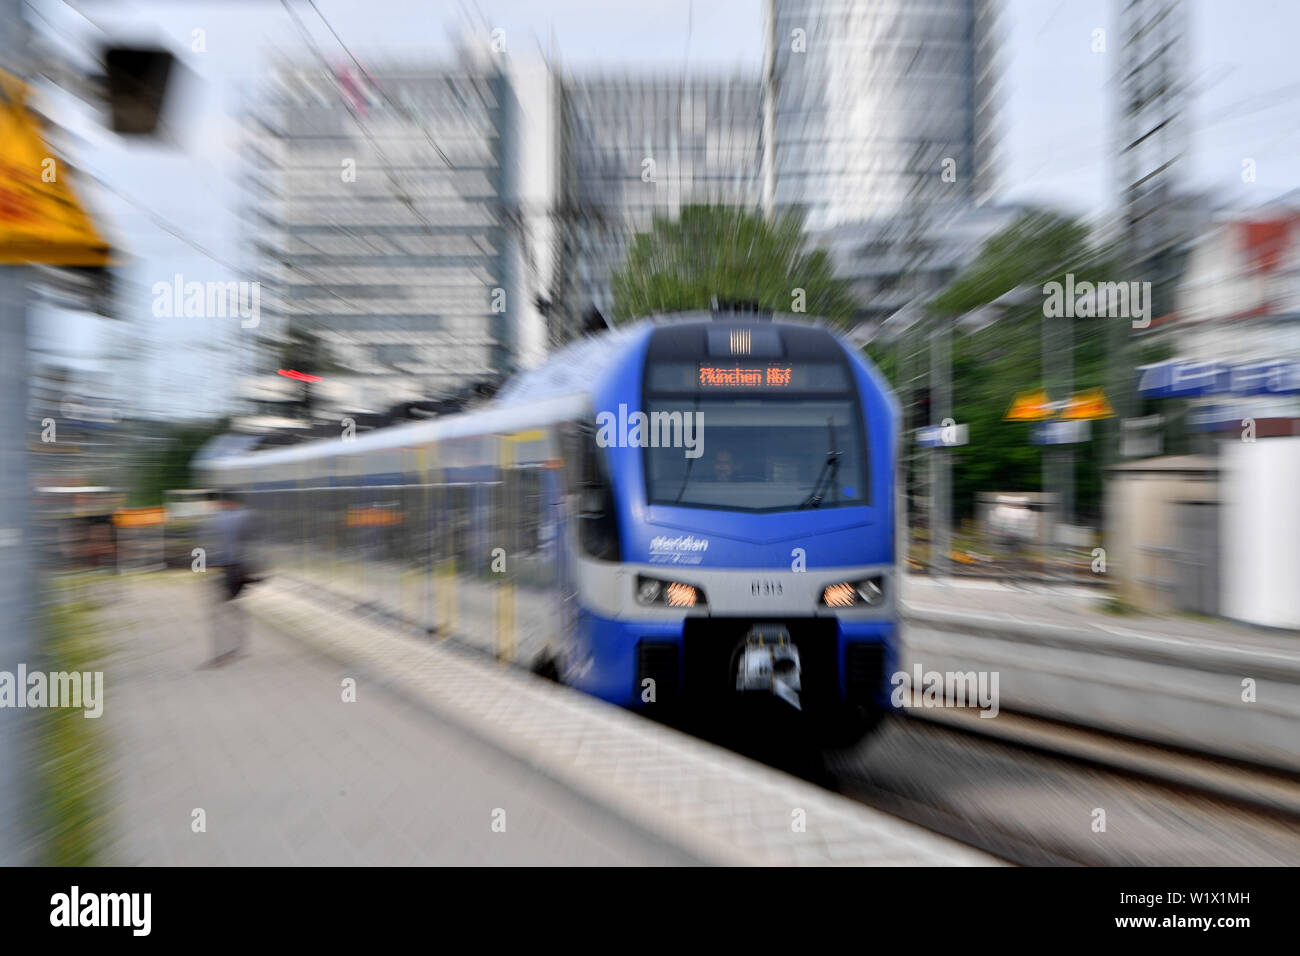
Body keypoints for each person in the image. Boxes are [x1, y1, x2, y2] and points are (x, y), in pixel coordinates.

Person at [203, 494, 257, 668]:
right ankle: (235, 646)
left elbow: (250, 545)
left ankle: (224, 653)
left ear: (229, 501)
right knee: (228, 608)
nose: (219, 505)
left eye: (221, 502)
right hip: (231, 569)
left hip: (235, 569)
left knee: (221, 609)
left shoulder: (241, 517)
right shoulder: (227, 516)